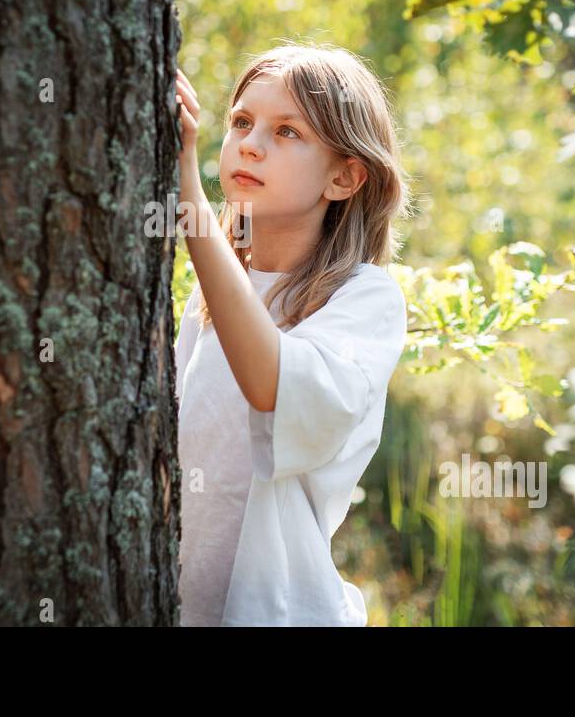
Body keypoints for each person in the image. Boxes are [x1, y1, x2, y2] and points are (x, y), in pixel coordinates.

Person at [173, 42, 412, 626]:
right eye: (241, 122)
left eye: (287, 132)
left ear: (343, 176)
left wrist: (187, 190)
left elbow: (272, 386)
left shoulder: (366, 299)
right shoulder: (212, 293)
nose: (250, 143)